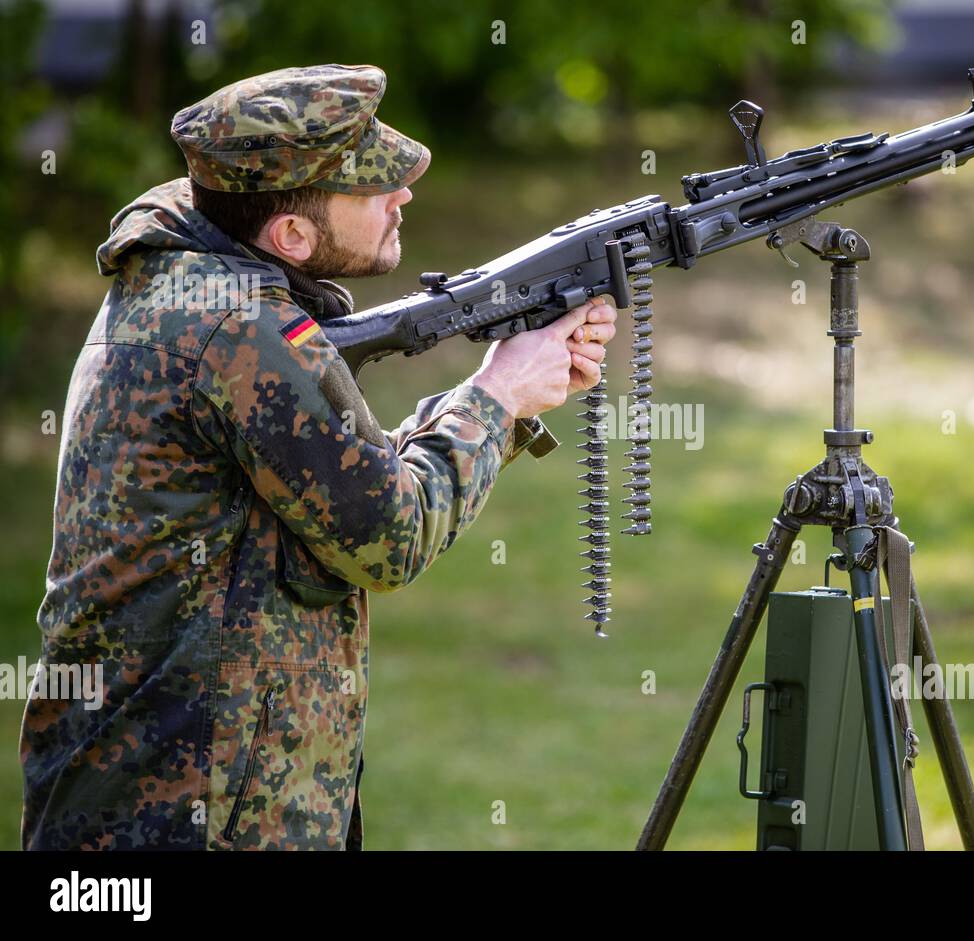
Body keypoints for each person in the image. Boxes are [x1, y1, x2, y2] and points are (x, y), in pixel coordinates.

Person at [20, 64, 616, 850]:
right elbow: (387, 535)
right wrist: (497, 396)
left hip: (164, 794)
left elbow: (337, 485)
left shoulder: (188, 271)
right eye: (374, 185)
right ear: (291, 234)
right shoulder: (238, 329)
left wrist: (499, 395)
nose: (402, 193)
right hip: (182, 814)